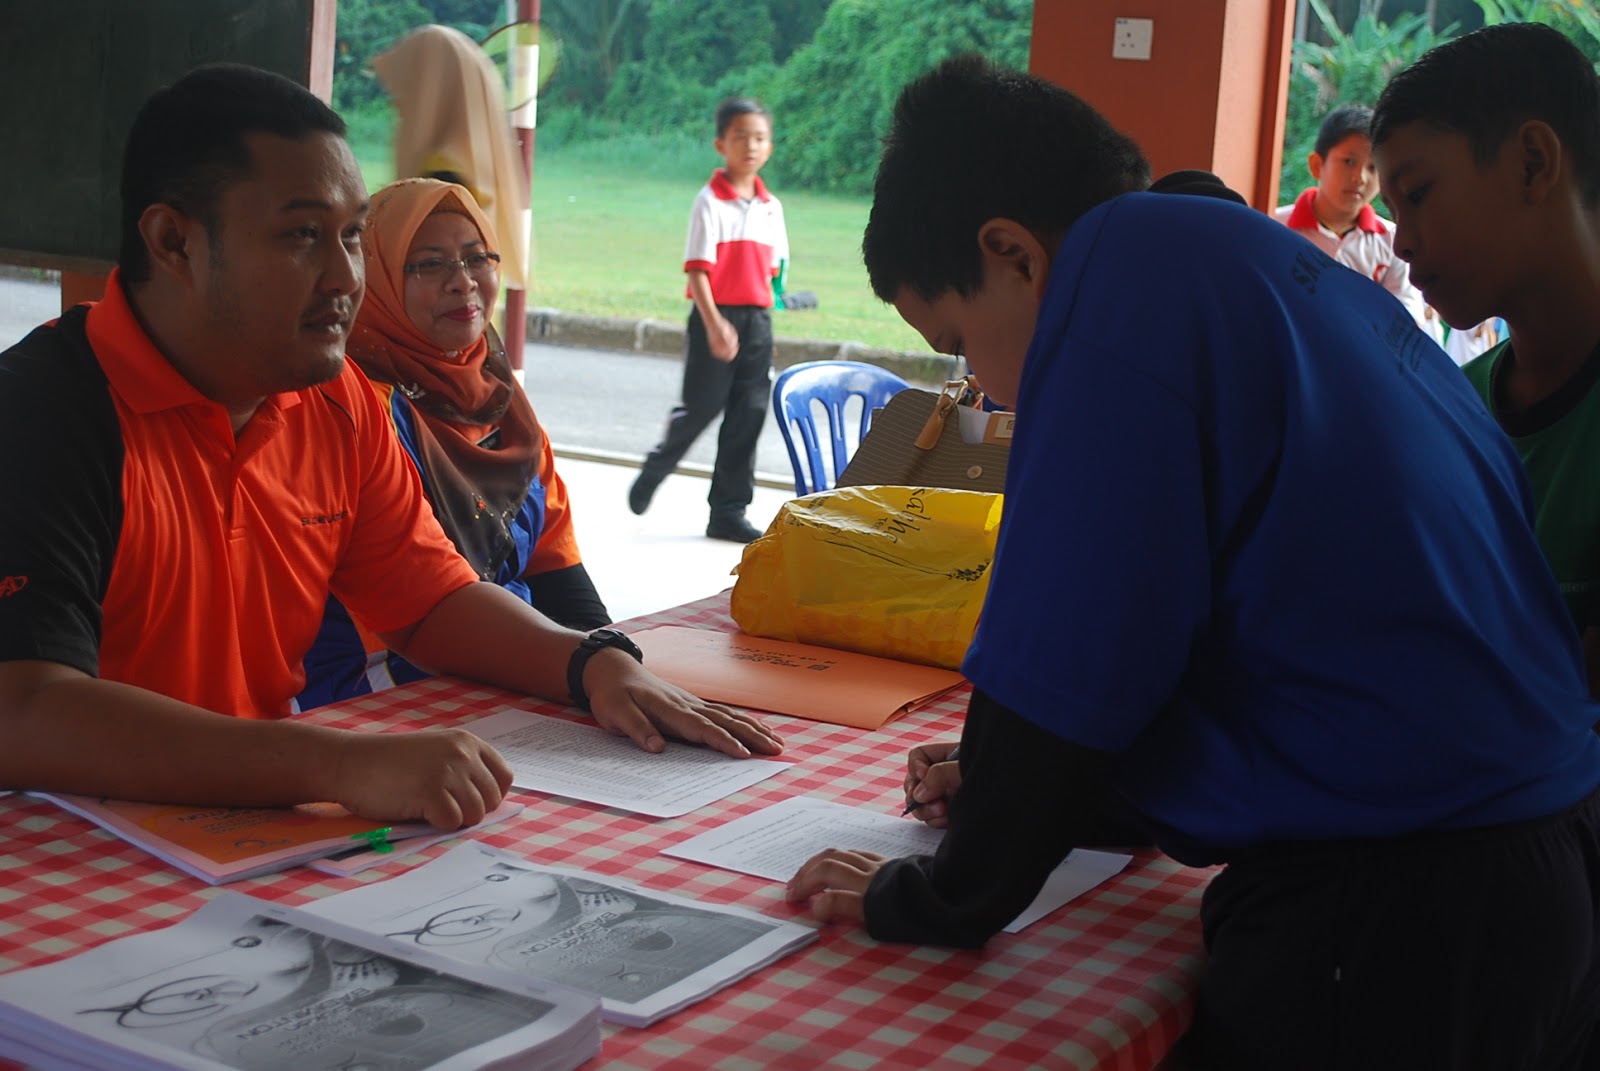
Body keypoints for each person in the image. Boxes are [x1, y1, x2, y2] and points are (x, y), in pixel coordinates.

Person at [784, 56, 1600, 1068]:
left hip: (1409, 903)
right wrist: (1042, 790)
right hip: (1535, 867)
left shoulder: (1116, 284)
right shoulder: (1254, 261)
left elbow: (1064, 641)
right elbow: (1216, 632)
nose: (981, 393)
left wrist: (941, 892)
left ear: (1014, 256)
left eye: (956, 342)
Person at [0, 64, 782, 835]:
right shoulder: (48, 409)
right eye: (303, 235)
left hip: (248, 832)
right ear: (173, 240)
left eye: (349, 236)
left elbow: (429, 601)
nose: (345, 275)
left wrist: (590, 663)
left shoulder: (333, 399)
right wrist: (336, 763)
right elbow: (26, 710)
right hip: (63, 853)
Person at [299, 178, 609, 709]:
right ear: (374, 279)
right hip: (379, 682)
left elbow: (556, 569)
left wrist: (609, 660)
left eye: (476, 258)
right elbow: (409, 611)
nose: (461, 282)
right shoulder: (352, 407)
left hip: (514, 664)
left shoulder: (504, 405)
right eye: (429, 264)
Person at [1373, 22, 1600, 696]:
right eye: (1392, 213)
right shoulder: (1451, 405)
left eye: (1417, 196)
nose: (1403, 244)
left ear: (1533, 162)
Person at [627, 97, 789, 545]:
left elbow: (773, 275)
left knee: (750, 413)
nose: (750, 146)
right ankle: (656, 466)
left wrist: (766, 327)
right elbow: (697, 271)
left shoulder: (771, 206)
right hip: (714, 315)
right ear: (722, 144)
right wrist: (716, 324)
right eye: (740, 137)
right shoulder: (709, 202)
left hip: (757, 322)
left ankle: (728, 511)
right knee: (702, 407)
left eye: (758, 138)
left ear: (769, 147)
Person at [1275, 103, 1433, 333]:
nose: (1360, 177)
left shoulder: (1394, 242)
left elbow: (1405, 318)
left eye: (1373, 167)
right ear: (1317, 165)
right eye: (1349, 161)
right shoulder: (1276, 227)